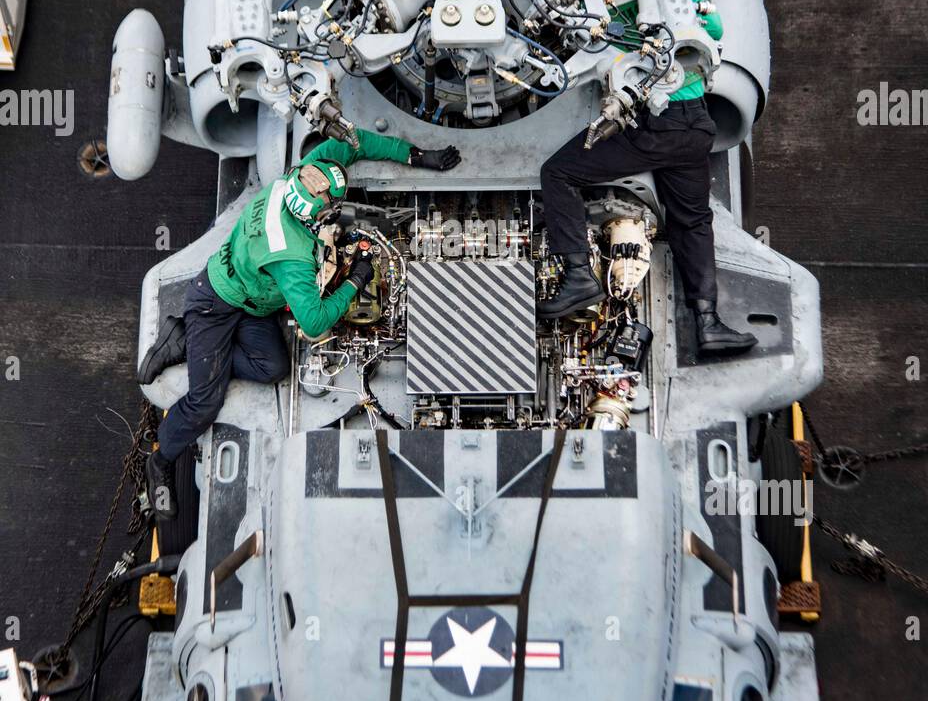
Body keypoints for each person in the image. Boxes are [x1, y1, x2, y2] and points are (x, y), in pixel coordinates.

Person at [142, 129, 460, 512]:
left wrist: (416, 155)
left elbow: (356, 142)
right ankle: (159, 459)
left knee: (274, 366)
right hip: (216, 301)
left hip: (254, 301)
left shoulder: (309, 172)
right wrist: (356, 280)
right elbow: (313, 321)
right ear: (314, 216)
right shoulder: (291, 256)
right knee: (204, 400)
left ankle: (194, 346)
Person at [537, 97, 757, 356]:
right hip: (696, 127)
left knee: (557, 173)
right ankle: (708, 322)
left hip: (657, 126)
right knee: (692, 220)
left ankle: (579, 276)